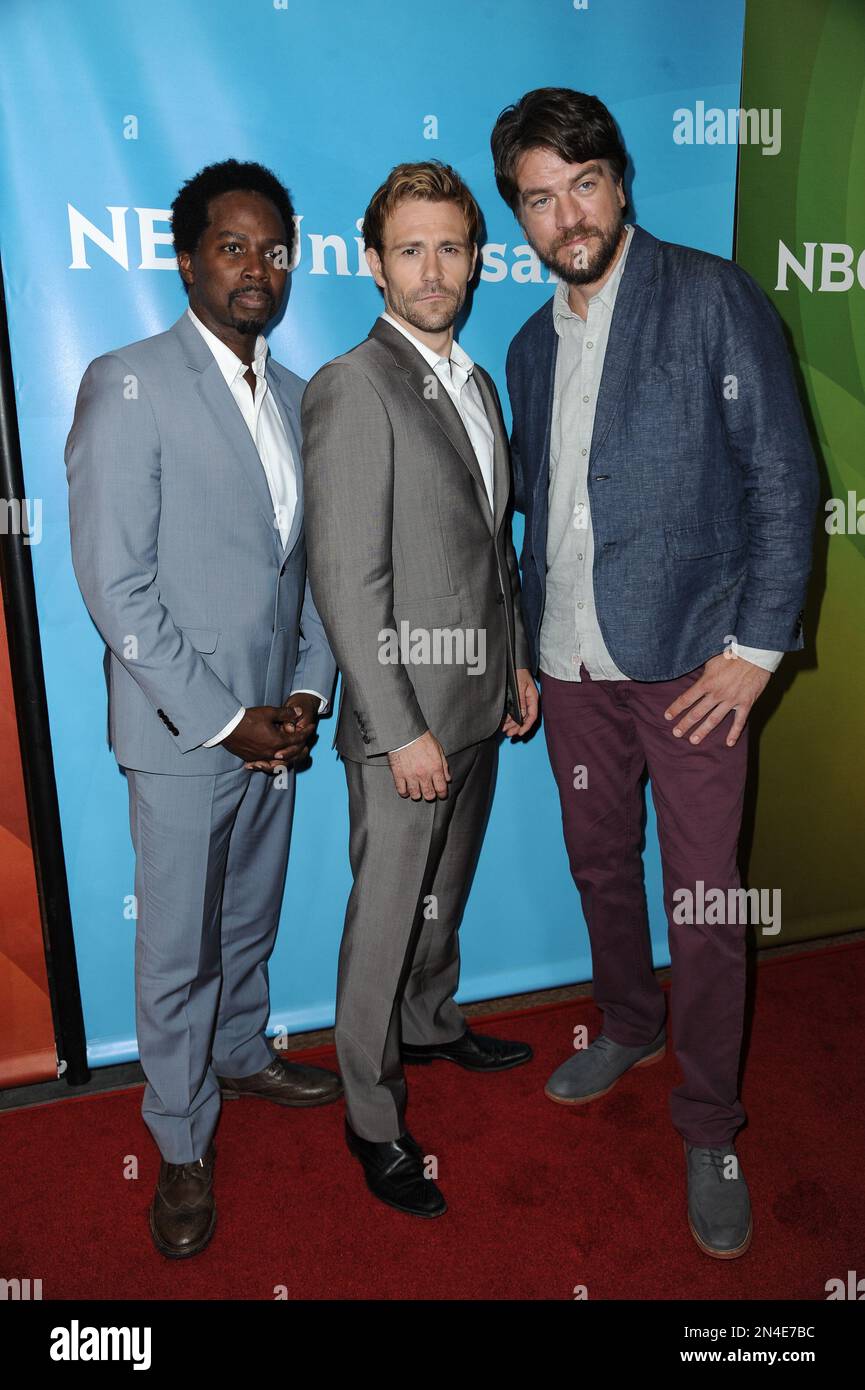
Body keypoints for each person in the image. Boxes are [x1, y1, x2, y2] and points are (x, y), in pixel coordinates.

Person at [492, 89, 818, 1258]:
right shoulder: (529, 346)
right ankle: (627, 1019)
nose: (566, 212)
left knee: (708, 905)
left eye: (583, 183)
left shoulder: (714, 296)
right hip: (572, 666)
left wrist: (753, 652)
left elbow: (784, 481)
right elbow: (531, 519)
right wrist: (529, 650)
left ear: (620, 182)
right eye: (539, 196)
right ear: (519, 218)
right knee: (598, 865)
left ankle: (710, 1121)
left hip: (692, 665)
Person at [65, 159, 340, 1259]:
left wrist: (307, 692)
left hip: (280, 725)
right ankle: (180, 1143)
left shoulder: (299, 394)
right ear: (186, 259)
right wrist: (229, 720)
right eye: (233, 247)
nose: (257, 268)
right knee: (174, 947)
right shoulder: (125, 380)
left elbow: (310, 570)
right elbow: (113, 589)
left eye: (275, 249)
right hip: (186, 736)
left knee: (247, 920)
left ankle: (239, 1051)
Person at [298, 160, 539, 1218]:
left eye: (451, 247)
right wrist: (398, 730)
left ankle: (433, 1024)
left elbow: (496, 549)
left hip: (480, 701)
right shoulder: (354, 385)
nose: (433, 270)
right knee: (387, 916)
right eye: (411, 249)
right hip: (405, 725)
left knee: (443, 900)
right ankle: (372, 1115)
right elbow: (346, 580)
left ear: (476, 259)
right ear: (372, 262)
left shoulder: (476, 382)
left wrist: (517, 660)